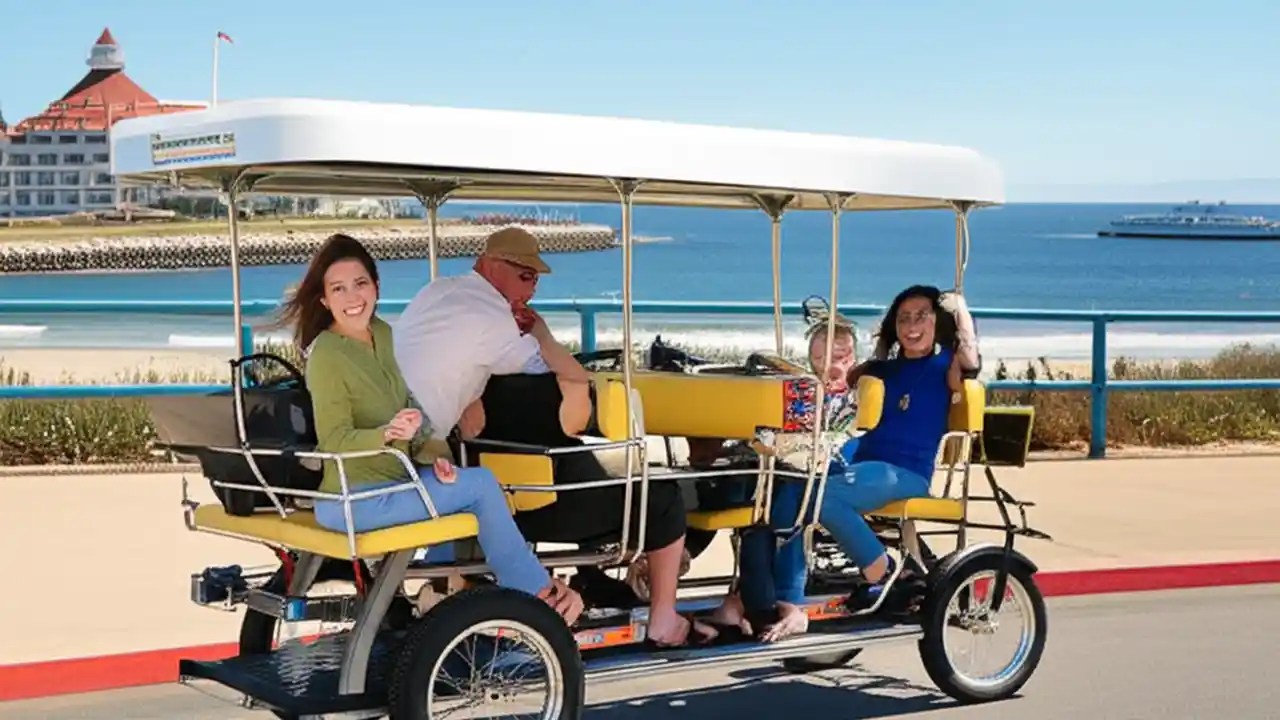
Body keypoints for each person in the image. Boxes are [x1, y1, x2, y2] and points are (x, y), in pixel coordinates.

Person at [393, 226, 712, 647]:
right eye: (525, 276)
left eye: (536, 278)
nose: (533, 285)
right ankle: (663, 620)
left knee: (586, 472)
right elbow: (571, 383)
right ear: (490, 266)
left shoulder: (437, 294)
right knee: (661, 493)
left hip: (439, 454)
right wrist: (541, 333)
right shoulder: (501, 331)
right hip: (522, 502)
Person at [277, 233, 583, 627]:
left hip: (392, 480)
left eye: (361, 284)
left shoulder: (382, 334)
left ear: (376, 287)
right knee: (483, 486)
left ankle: (445, 592)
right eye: (339, 288)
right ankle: (539, 597)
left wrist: (435, 454)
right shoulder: (327, 355)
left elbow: (410, 409)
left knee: (461, 478)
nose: (353, 297)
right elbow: (334, 441)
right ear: (324, 299)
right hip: (353, 498)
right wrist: (387, 434)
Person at [733, 284, 981, 642]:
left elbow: (971, 362)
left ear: (936, 322)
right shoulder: (883, 369)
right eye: (904, 318)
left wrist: (960, 312)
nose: (912, 325)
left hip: (905, 472)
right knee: (791, 497)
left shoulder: (946, 364)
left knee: (823, 499)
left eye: (921, 317)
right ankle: (790, 603)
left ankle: (884, 573)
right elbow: (836, 382)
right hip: (863, 462)